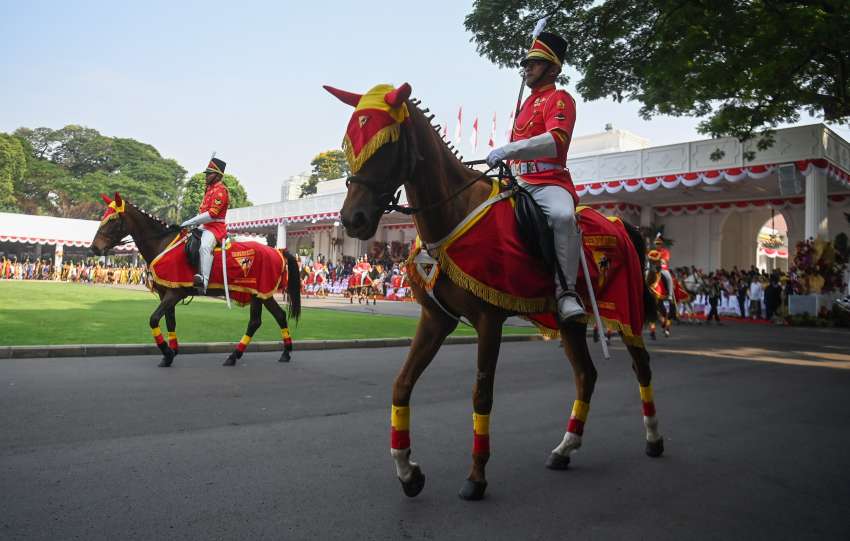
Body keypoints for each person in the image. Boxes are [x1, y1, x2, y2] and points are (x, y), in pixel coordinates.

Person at [486, 31, 582, 321]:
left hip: (547, 182)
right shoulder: (525, 105)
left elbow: (556, 140)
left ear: (553, 69)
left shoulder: (560, 98)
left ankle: (566, 293)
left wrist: (508, 148)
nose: (527, 68)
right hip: (517, 181)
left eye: (535, 63)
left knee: (563, 217)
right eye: (526, 63)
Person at [180, 157, 229, 293]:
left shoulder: (221, 191)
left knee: (205, 246)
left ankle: (204, 282)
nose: (206, 176)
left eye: (209, 173)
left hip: (215, 228)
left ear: (218, 175)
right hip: (204, 227)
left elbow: (212, 214)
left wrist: (190, 222)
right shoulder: (209, 190)